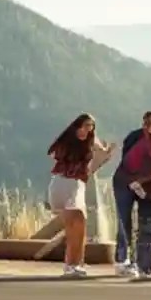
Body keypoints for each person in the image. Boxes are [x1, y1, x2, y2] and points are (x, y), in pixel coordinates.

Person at [47, 113, 115, 278]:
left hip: (77, 185)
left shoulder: (90, 141)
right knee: (75, 223)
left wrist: (106, 151)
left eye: (90, 127)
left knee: (78, 225)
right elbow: (52, 154)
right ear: (77, 126)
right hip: (63, 183)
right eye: (85, 126)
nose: (87, 130)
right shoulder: (67, 140)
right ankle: (72, 264)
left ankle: (74, 264)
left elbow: (100, 149)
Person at [111, 111, 151, 279]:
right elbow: (128, 161)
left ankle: (142, 265)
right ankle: (122, 260)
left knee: (145, 223)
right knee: (124, 220)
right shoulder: (135, 138)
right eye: (146, 123)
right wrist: (134, 180)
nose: (150, 126)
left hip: (144, 185)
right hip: (124, 182)